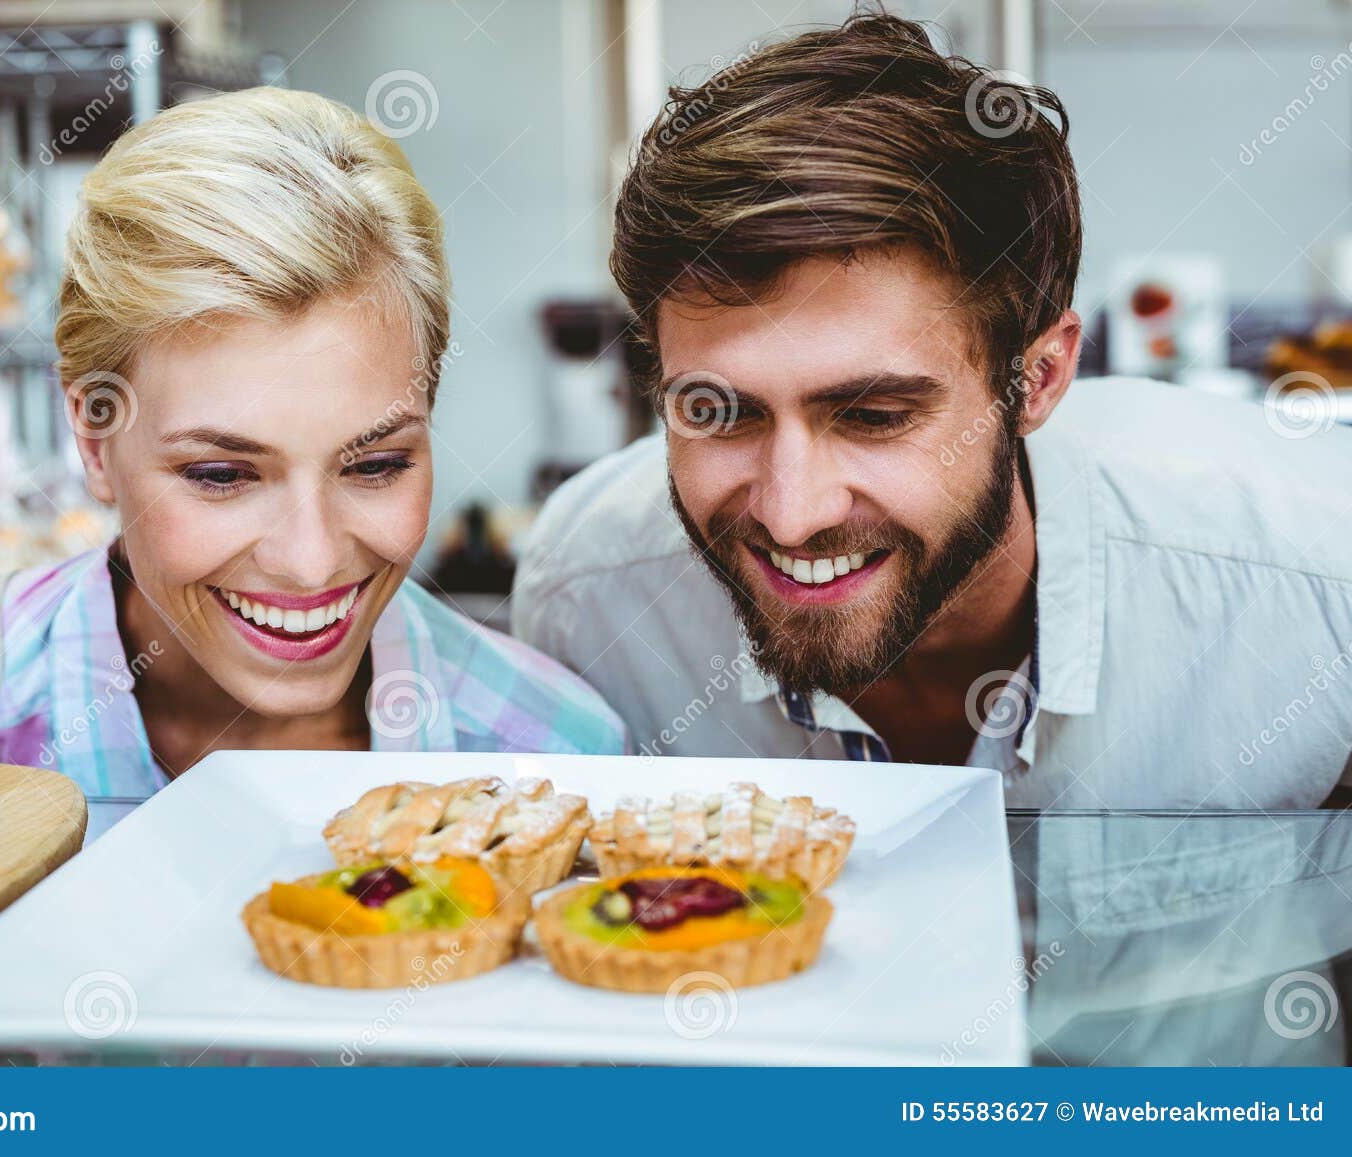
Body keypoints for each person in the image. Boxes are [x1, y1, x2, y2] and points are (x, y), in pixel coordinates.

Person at [512, 14, 1352, 808]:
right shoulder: (587, 599)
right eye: (716, 412)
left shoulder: (1313, 585)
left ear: (1041, 376)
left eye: (874, 416)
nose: (792, 515)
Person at [0, 87, 624, 811]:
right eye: (222, 474)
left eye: (375, 464)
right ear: (95, 442)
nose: (310, 563)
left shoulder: (560, 755)